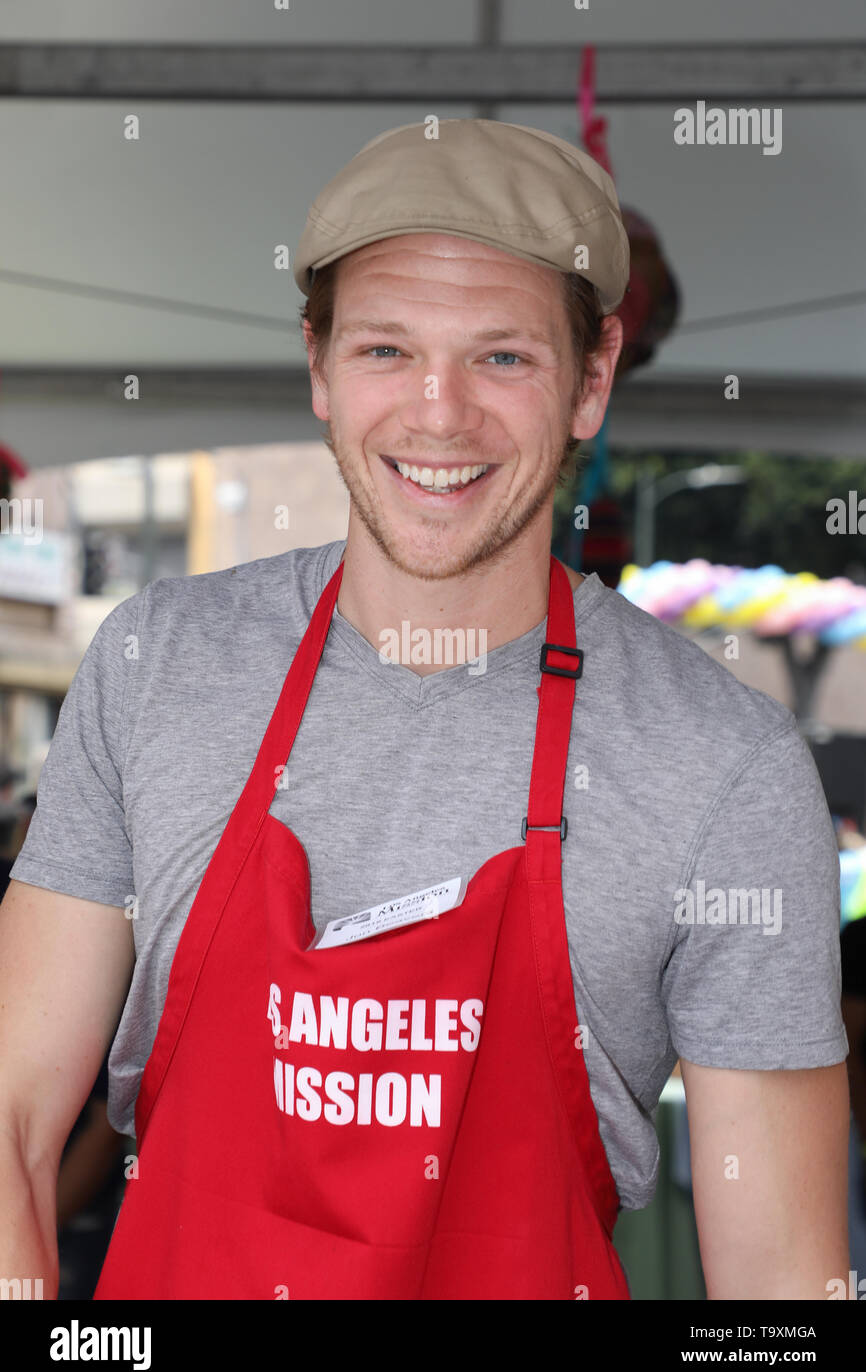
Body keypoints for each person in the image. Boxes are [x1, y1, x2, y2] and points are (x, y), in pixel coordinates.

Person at [0, 118, 850, 1301]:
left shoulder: (726, 765)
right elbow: (12, 1123)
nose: (437, 413)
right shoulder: (156, 664)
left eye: (501, 357)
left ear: (591, 380)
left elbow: (779, 1285)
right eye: (387, 350)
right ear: (318, 367)